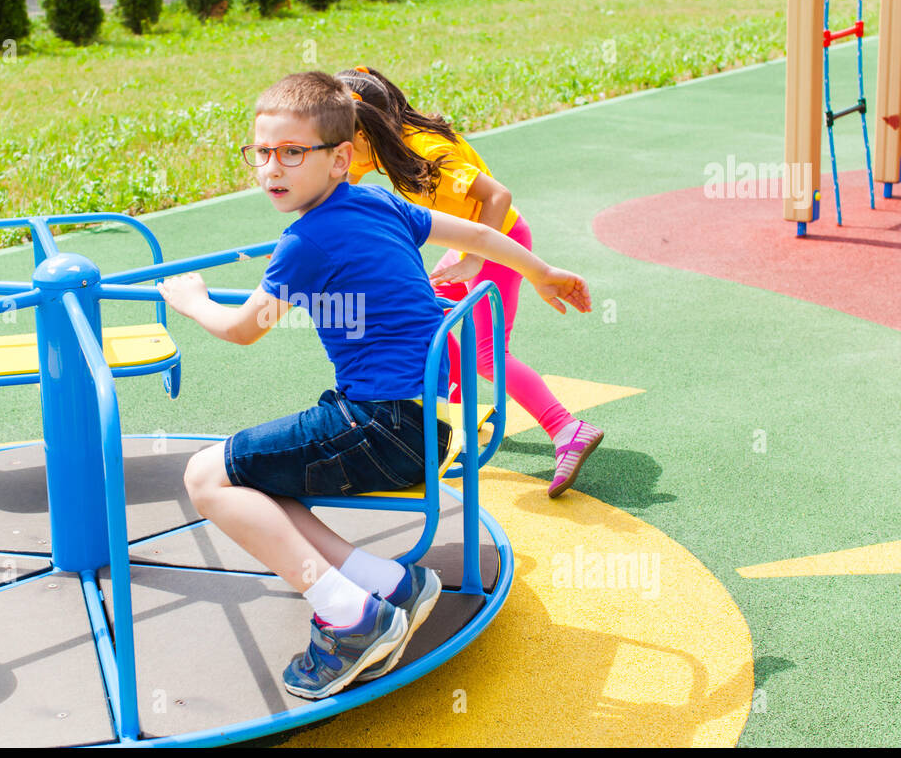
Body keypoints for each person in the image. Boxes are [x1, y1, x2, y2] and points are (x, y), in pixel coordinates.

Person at [157, 71, 591, 700]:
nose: (272, 168)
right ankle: (388, 583)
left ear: (340, 159)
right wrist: (541, 270)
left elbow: (243, 329)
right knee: (254, 476)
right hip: (427, 424)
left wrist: (191, 300)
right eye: (263, 152)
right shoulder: (379, 204)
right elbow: (475, 235)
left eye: (292, 152)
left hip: (381, 429)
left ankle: (349, 617)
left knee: (206, 477)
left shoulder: (304, 242)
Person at [337, 64, 604, 498]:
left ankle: (567, 428)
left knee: (487, 355)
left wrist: (476, 259)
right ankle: (462, 413)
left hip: (498, 242)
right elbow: (343, 192)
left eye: (340, 133)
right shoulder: (379, 146)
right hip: (467, 246)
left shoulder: (426, 151)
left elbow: (497, 195)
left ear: (365, 127)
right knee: (431, 318)